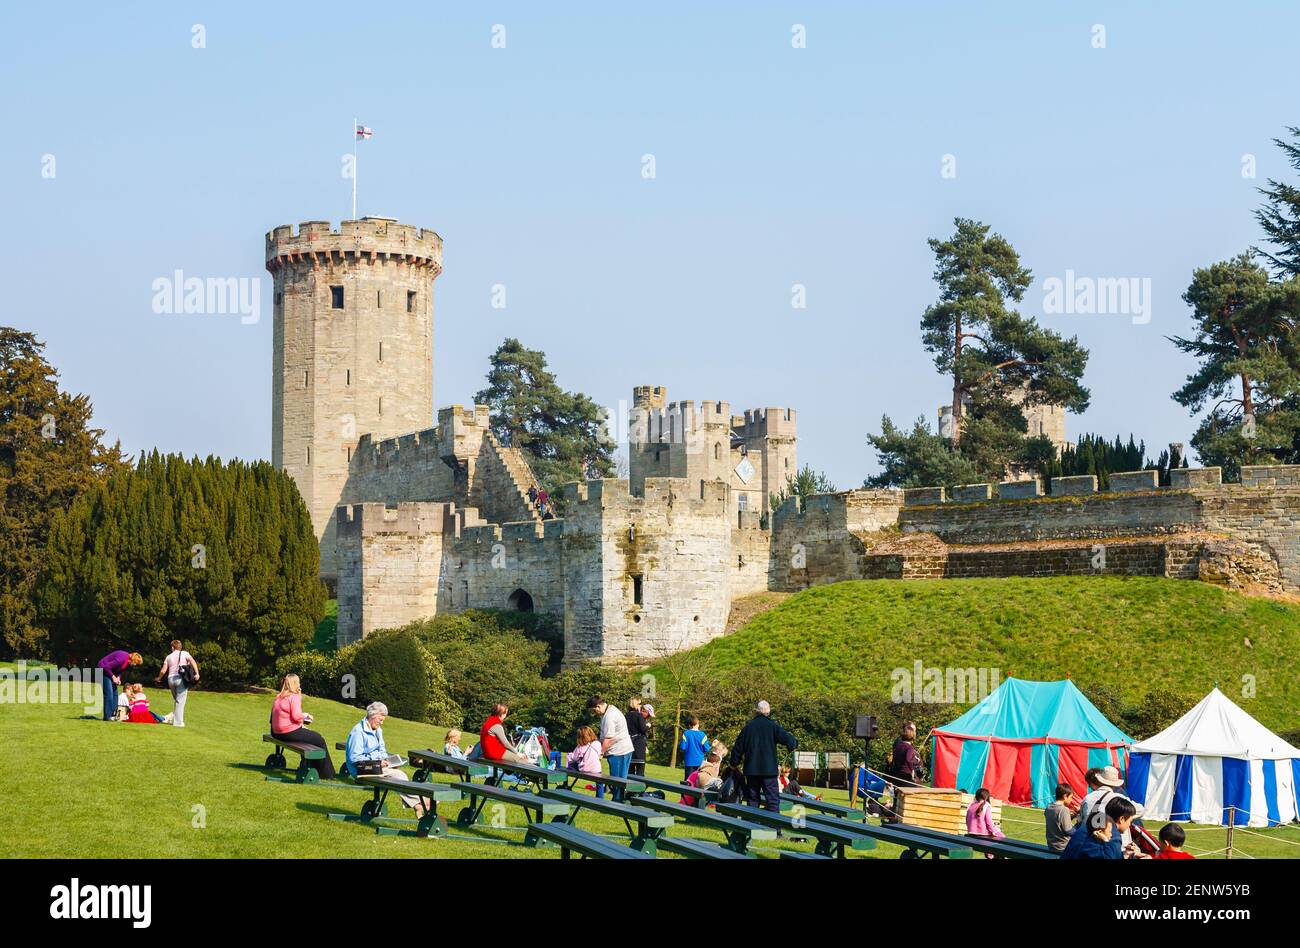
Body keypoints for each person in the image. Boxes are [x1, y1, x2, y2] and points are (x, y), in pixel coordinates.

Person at [345, 701, 424, 816]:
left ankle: (419, 805)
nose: (381, 723)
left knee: (398, 774)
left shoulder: (378, 730)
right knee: (399, 776)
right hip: (360, 769)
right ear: (372, 715)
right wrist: (377, 761)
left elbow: (382, 750)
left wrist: (388, 761)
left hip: (374, 766)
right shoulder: (358, 732)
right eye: (380, 720)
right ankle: (420, 803)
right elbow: (354, 758)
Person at [730, 699, 798, 814]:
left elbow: (738, 748)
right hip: (769, 771)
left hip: (752, 771)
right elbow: (790, 740)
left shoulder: (748, 727)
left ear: (756, 711)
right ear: (768, 712)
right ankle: (775, 829)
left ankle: (751, 828)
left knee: (752, 800)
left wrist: (733, 764)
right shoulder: (773, 726)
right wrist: (793, 745)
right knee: (772, 801)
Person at [271, 674, 337, 780]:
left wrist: (300, 725)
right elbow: (297, 716)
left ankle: (310, 765)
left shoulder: (279, 696)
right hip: (287, 732)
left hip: (277, 732)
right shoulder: (293, 696)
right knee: (319, 739)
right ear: (295, 683)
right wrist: (306, 716)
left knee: (309, 738)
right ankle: (327, 774)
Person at [587, 696, 634, 801]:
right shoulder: (607, 712)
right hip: (616, 751)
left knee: (617, 779)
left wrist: (600, 753)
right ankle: (617, 800)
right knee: (615, 778)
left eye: (594, 711)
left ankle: (617, 802)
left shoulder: (610, 716)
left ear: (598, 706)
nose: (594, 713)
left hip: (620, 751)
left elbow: (608, 739)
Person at [1060, 797, 1137, 860]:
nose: (1130, 824)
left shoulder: (1090, 824)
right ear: (1122, 819)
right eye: (1130, 821)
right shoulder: (1113, 835)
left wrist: (1124, 854)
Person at [154, 639, 198, 728]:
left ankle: (174, 718)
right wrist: (197, 673)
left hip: (171, 680)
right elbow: (192, 661)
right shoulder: (185, 653)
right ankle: (178, 723)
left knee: (177, 701)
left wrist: (159, 678)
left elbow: (163, 670)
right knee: (180, 701)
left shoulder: (168, 657)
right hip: (180, 679)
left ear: (172, 647)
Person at [97, 650, 142, 721]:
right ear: (132, 660)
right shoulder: (121, 659)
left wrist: (118, 677)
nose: (135, 665)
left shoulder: (128, 663)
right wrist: (113, 677)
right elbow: (106, 667)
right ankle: (107, 717)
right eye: (135, 663)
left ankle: (113, 715)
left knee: (115, 694)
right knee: (109, 693)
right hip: (103, 669)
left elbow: (121, 670)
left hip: (110, 672)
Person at [966, 788, 1005, 856]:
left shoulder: (971, 805)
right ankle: (990, 853)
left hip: (971, 833)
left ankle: (990, 852)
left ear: (976, 796)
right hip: (982, 833)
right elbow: (989, 822)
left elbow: (967, 820)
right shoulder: (986, 806)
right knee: (1002, 837)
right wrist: (994, 831)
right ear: (987, 796)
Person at [566, 725, 604, 795]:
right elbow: (599, 755)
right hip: (596, 771)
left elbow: (574, 758)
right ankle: (600, 799)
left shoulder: (580, 747)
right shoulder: (597, 743)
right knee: (600, 783)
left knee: (571, 765)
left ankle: (565, 788)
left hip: (584, 770)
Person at [888, 722, 922, 787]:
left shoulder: (898, 746)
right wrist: (912, 770)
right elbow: (908, 759)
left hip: (898, 775)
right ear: (913, 735)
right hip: (906, 776)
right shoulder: (909, 747)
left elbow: (895, 759)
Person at [1045, 783, 1076, 852]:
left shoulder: (1049, 807)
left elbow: (1058, 821)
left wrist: (1074, 815)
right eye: (1071, 797)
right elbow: (1069, 831)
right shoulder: (1064, 810)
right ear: (1065, 796)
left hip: (1051, 846)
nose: (1071, 800)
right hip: (1063, 847)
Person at [679, 715, 711, 780]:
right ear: (697, 723)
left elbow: (682, 747)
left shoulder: (686, 733)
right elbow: (707, 749)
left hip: (689, 761)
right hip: (700, 762)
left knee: (687, 782)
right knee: (697, 783)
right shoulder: (703, 735)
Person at [625, 696, 649, 777]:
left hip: (628, 743)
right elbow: (643, 729)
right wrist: (648, 726)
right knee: (640, 770)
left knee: (630, 769)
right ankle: (638, 789)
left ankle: (628, 789)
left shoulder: (626, 715)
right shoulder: (639, 716)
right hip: (638, 744)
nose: (641, 706)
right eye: (640, 704)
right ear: (636, 705)